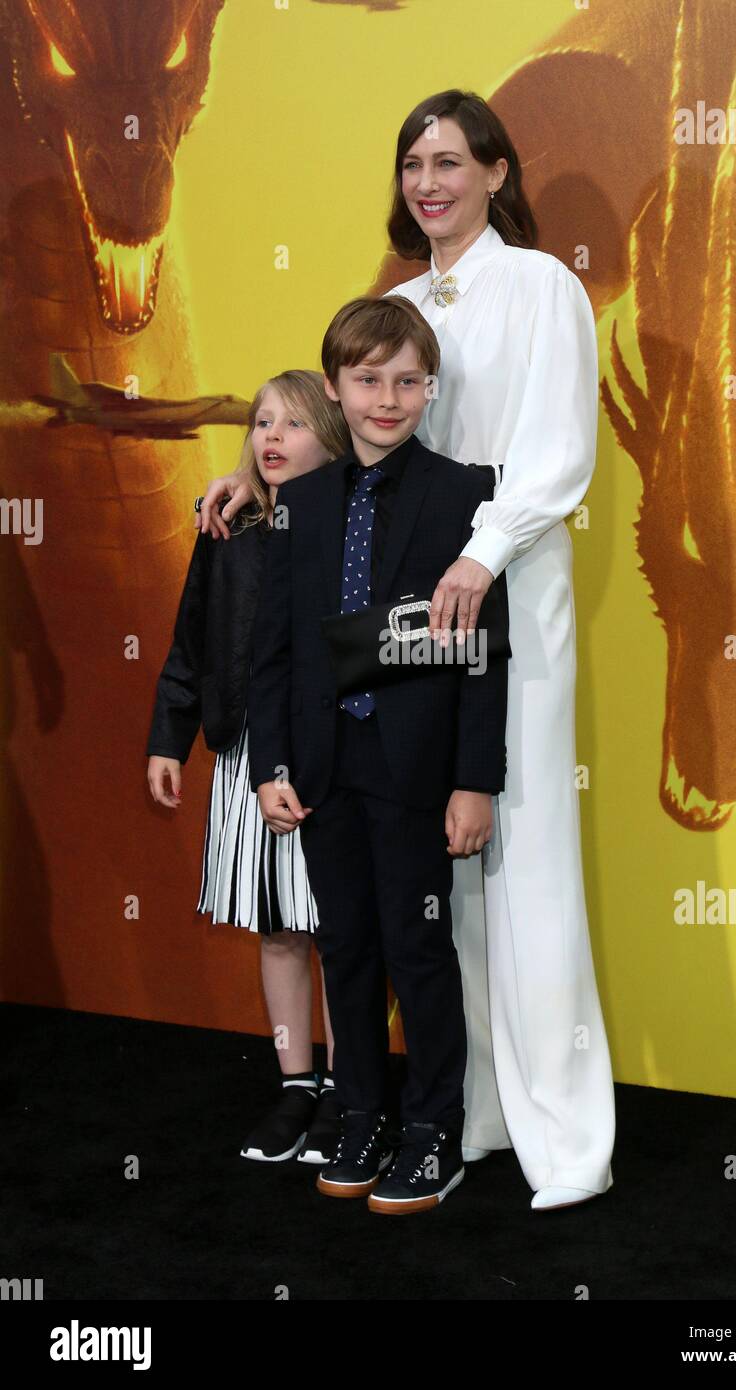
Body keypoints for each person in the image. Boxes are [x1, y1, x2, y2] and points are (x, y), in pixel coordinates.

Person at [197, 89, 616, 1213]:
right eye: (411, 164)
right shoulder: (395, 303)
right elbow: (346, 423)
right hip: (397, 627)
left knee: (512, 859)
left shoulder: (542, 287)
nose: (427, 182)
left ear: (495, 170)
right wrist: (258, 473)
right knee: (433, 886)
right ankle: (464, 1108)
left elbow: (557, 455)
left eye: (447, 160)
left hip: (502, 599)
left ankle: (561, 1133)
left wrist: (477, 559)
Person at [246, 293, 509, 1215]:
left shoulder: (466, 492)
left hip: (416, 773)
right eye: (367, 380)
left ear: (431, 388)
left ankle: (434, 1129)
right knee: (346, 947)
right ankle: (361, 1113)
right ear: (336, 387)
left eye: (406, 380)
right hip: (323, 769)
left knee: (419, 949)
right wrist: (272, 764)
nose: (386, 399)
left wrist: (475, 780)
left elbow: (484, 651)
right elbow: (274, 647)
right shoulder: (301, 503)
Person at [146, 371, 348, 1167]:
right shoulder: (226, 530)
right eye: (262, 422)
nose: (271, 437)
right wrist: (169, 736)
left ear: (330, 438)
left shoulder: (354, 531)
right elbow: (192, 641)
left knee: (340, 927)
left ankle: (353, 1087)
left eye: (293, 424)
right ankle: (298, 1084)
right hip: (242, 762)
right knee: (279, 930)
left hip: (329, 761)